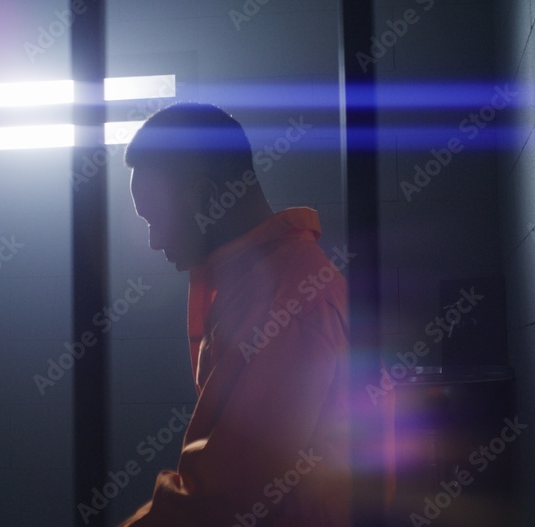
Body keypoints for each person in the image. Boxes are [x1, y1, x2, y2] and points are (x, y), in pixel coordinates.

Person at [120, 103, 387, 526]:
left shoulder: (289, 302)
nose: (154, 242)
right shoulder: (267, 282)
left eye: (156, 220)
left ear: (206, 198)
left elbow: (221, 502)